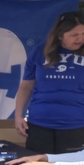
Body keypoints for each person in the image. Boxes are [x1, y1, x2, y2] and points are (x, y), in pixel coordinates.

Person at [14, 10, 84, 154]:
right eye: (74, 35)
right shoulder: (40, 51)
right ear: (60, 35)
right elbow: (26, 86)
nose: (80, 39)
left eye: (83, 34)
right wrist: (18, 116)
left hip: (75, 125)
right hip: (39, 123)